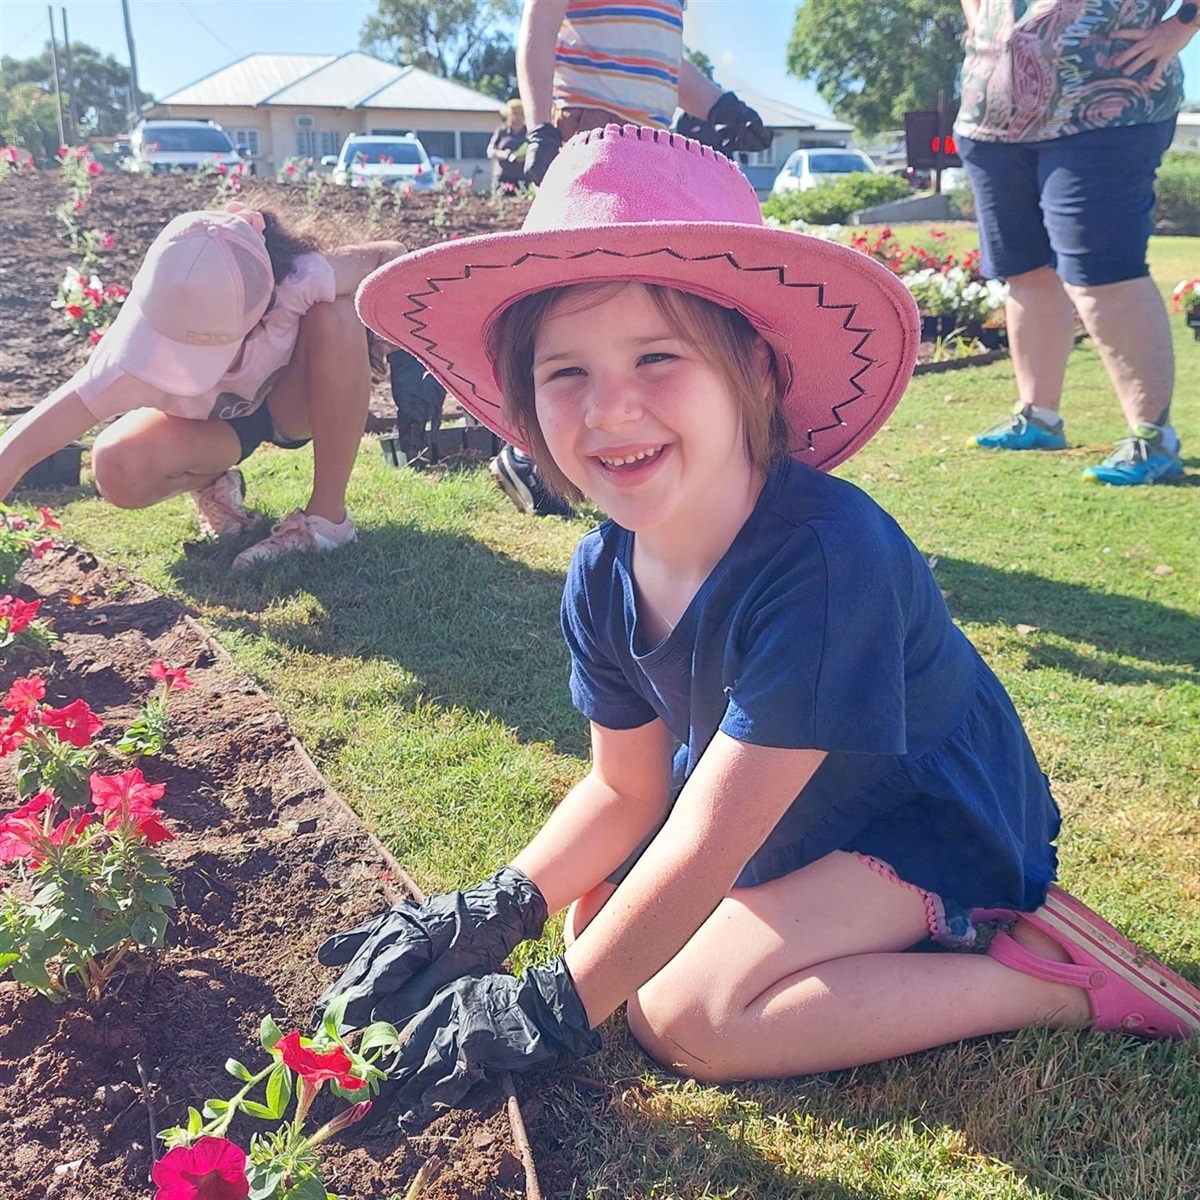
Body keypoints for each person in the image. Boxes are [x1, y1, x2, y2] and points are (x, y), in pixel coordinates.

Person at [321, 127, 1200, 1128]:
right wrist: (491, 907)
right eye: (564, 373)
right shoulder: (601, 570)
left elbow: (703, 841)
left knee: (689, 1016)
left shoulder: (829, 557)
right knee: (597, 919)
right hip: (779, 802)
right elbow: (624, 788)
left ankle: (1050, 978)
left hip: (917, 815)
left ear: (759, 375)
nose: (611, 408)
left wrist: (548, 1004)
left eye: (657, 356)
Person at [487, 0, 773, 517]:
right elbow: (540, 24)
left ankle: (535, 458)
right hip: (590, 138)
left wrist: (721, 105)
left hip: (650, 143)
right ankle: (533, 455)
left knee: (634, 308)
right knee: (580, 306)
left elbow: (667, 61)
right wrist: (538, 127)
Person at [0, 204, 404, 567]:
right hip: (212, 429)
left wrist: (397, 347)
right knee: (116, 466)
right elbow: (15, 450)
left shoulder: (296, 279)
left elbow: (393, 258)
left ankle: (326, 521)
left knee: (337, 313)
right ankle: (214, 481)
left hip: (293, 404)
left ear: (262, 309)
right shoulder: (127, 359)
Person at [956, 0, 1197, 485]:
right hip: (992, 119)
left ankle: (1153, 438)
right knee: (1024, 271)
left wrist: (1183, 24)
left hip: (1107, 110)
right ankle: (1039, 416)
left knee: (1102, 275)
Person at [486, 98, 529, 192]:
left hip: (522, 179)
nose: (516, 119)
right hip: (502, 177)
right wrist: (504, 154)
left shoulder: (528, 133)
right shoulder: (502, 131)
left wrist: (524, 157)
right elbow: (490, 151)